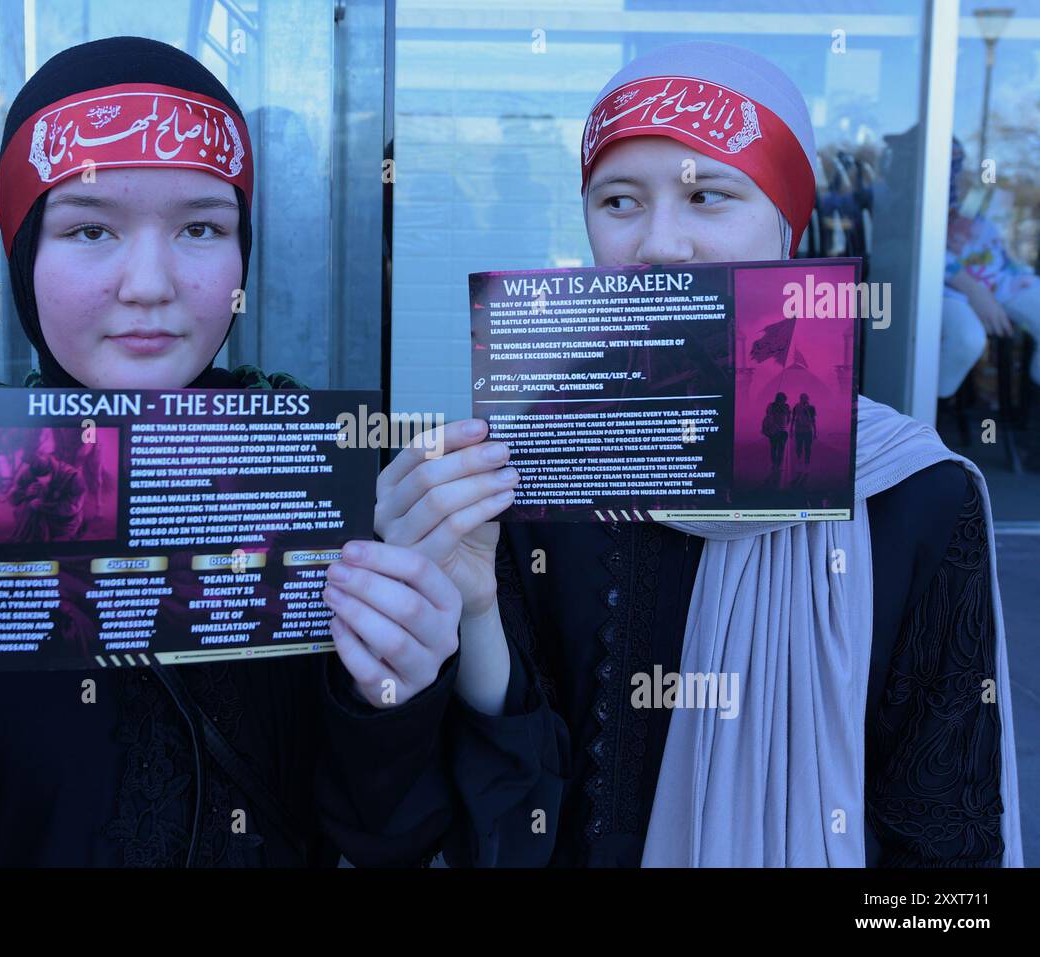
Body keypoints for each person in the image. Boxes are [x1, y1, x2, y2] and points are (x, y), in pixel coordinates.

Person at [0, 36, 465, 867]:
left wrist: (394, 696)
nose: (150, 283)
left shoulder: (320, 493)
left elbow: (389, 836)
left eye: (201, 226)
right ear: (23, 257)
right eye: (91, 230)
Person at [382, 41, 1023, 866]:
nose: (660, 245)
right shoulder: (529, 471)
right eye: (619, 201)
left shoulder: (915, 493)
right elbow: (504, 813)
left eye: (708, 196)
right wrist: (465, 611)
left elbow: (942, 828)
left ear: (790, 227)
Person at [940, 136, 1040, 397]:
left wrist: (1019, 268)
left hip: (1003, 280)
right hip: (946, 288)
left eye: (958, 163)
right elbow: (910, 255)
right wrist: (973, 290)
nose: (955, 173)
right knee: (968, 340)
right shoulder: (917, 202)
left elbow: (1003, 251)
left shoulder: (978, 200)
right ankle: (925, 409)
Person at [792, 393, 816, 466]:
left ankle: (807, 463)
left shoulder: (811, 408)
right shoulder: (796, 407)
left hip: (808, 430)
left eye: (805, 398)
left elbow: (813, 420)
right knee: (799, 447)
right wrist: (791, 430)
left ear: (807, 399)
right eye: (802, 398)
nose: (803, 400)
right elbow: (793, 418)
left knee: (807, 448)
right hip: (798, 430)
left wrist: (815, 432)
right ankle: (799, 460)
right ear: (800, 399)